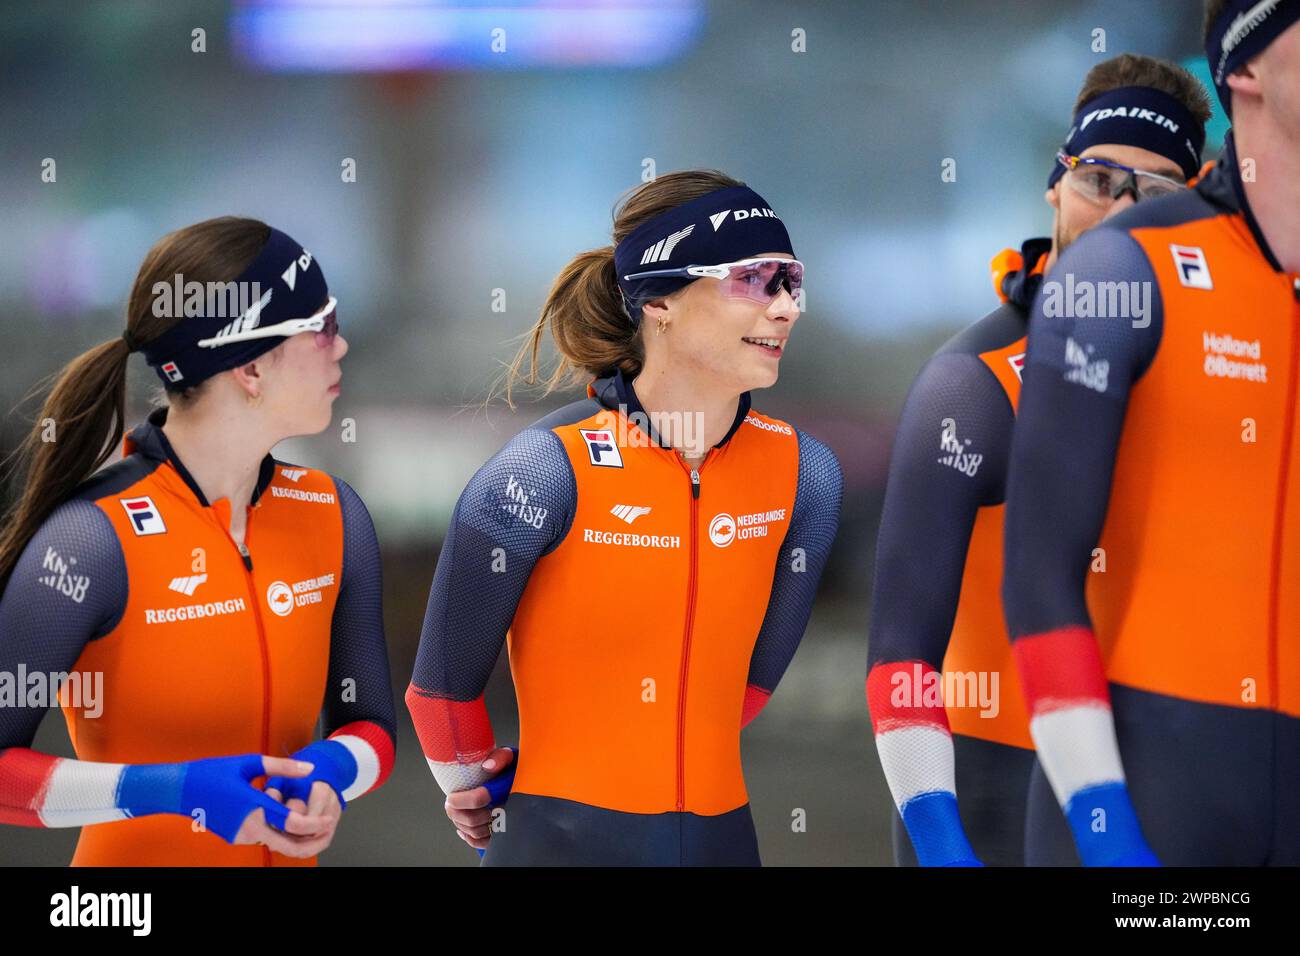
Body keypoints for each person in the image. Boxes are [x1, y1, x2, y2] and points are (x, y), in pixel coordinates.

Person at [406, 171, 843, 865]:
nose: (787, 307)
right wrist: (476, 788)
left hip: (721, 842)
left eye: (792, 281)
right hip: (558, 842)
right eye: (754, 280)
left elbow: (747, 688)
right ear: (660, 299)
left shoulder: (805, 475)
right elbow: (440, 692)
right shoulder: (544, 471)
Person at [867, 54, 1211, 867]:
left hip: (1175, 793)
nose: (1118, 214)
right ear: (1056, 185)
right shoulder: (976, 385)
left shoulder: (1225, 362)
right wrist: (941, 842)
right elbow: (900, 652)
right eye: (1099, 179)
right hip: (997, 801)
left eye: (1156, 194)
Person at [1002, 0, 1300, 866]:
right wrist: (1106, 834)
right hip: (1150, 799)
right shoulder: (1125, 264)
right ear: (1244, 68)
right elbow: (1039, 578)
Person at [0, 217, 395, 866]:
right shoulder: (92, 542)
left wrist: (333, 768)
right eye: (321, 327)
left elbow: (372, 727)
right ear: (251, 367)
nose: (342, 346)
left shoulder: (335, 515)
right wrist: (175, 791)